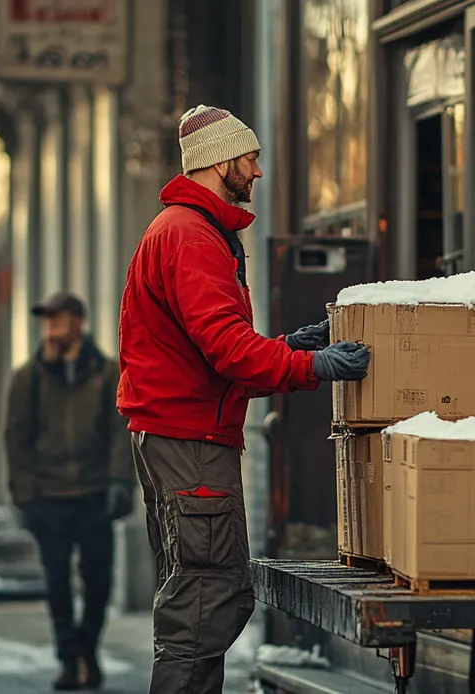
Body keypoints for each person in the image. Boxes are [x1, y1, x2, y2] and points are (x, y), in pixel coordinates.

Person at [118, 104, 371, 694]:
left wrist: (286, 347)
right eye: (251, 158)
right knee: (205, 603)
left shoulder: (188, 231)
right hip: (191, 445)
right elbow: (227, 351)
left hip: (181, 438)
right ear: (220, 160)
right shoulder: (192, 235)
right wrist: (312, 365)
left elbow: (213, 349)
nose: (257, 172)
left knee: (200, 600)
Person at [4, 291, 132, 691]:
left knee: (99, 581)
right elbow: (16, 439)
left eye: (57, 319)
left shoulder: (108, 372)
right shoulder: (30, 377)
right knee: (57, 583)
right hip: (49, 496)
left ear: (78, 322)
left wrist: (120, 482)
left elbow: (119, 429)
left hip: (94, 494)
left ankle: (88, 650)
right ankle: (68, 657)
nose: (50, 327)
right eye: (46, 320)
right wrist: (24, 496)